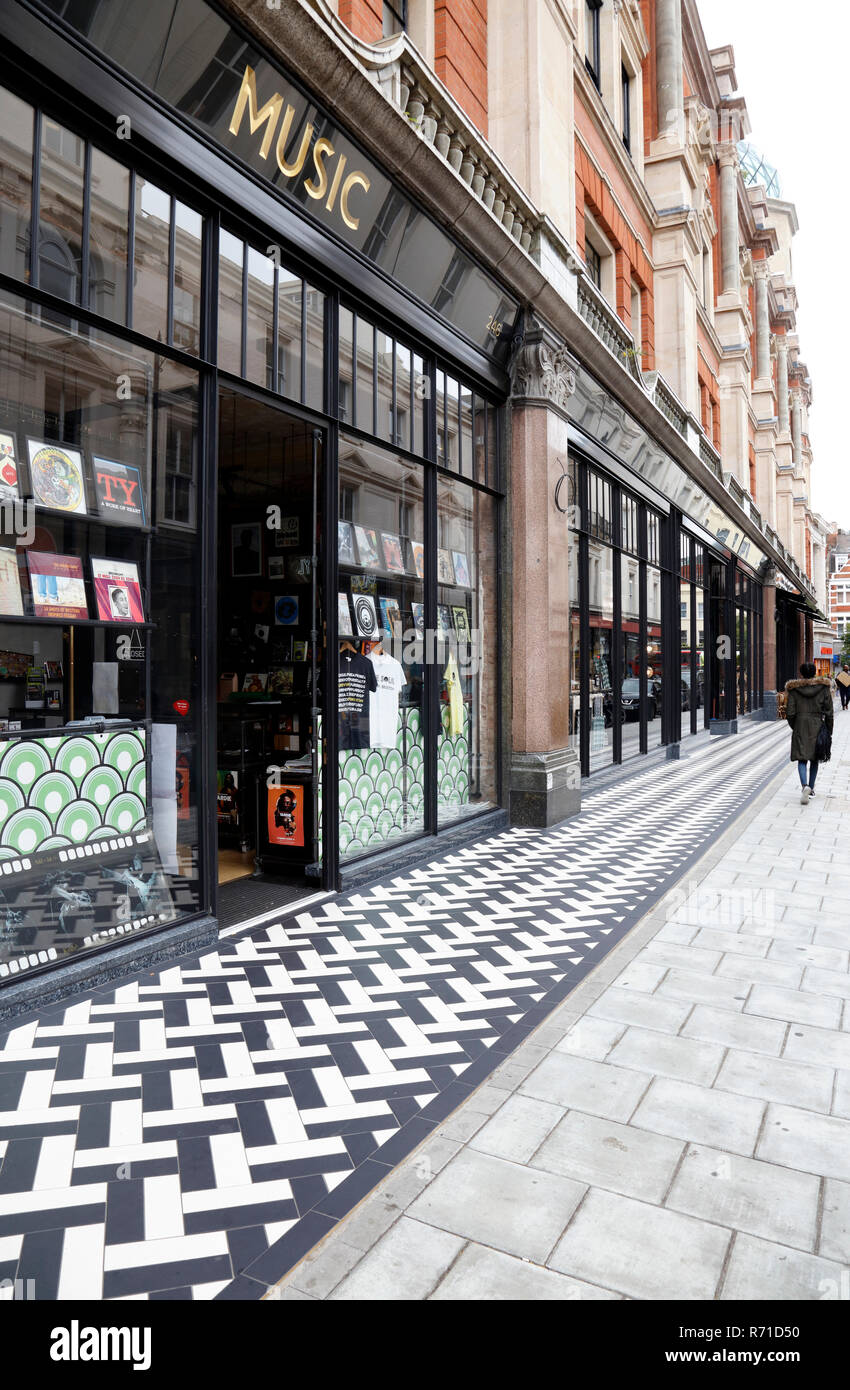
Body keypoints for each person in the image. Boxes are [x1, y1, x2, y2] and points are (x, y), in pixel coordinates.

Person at [785, 661, 833, 805]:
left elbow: (790, 713)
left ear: (801, 673)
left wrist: (795, 726)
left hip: (800, 724)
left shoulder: (794, 690)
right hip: (817, 725)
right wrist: (829, 730)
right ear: (814, 673)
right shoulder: (823, 688)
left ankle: (804, 786)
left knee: (801, 758)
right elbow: (829, 712)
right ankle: (811, 789)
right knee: (814, 758)